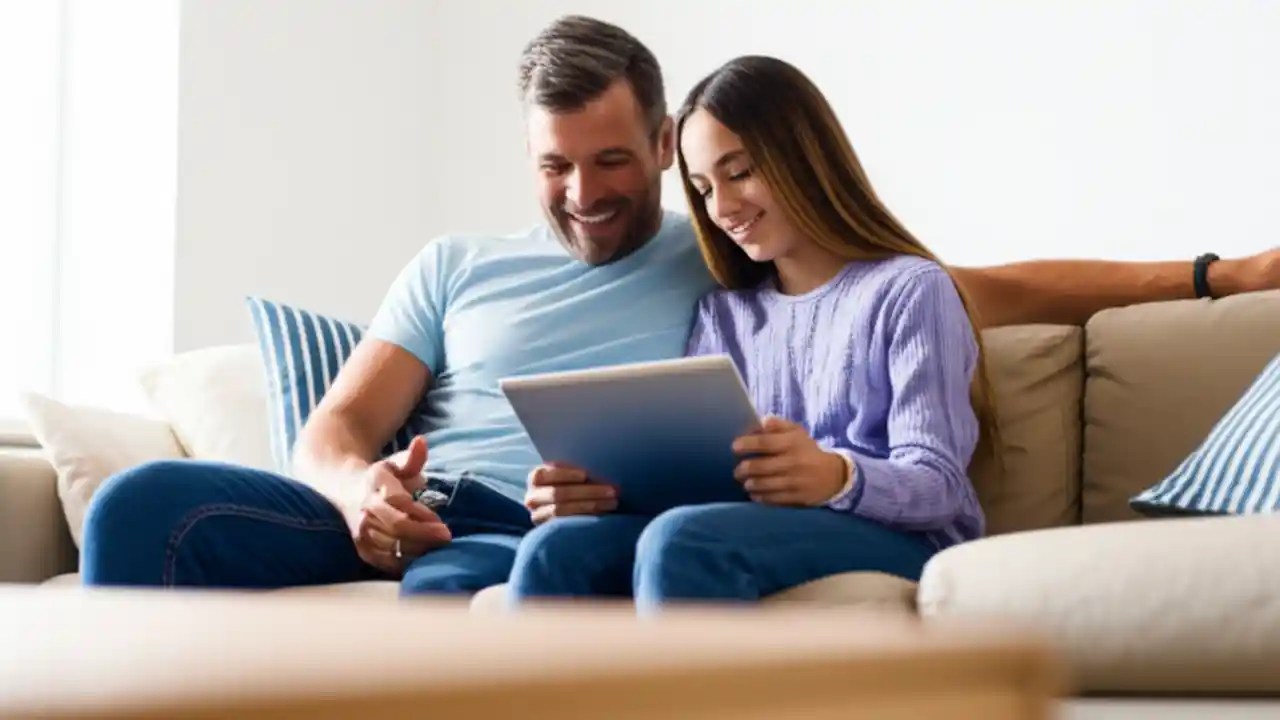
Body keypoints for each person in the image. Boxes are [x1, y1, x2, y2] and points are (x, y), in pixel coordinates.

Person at [80, 15, 1279, 595]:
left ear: (652, 145)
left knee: (594, 556)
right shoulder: (479, 267)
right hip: (434, 511)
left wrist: (1210, 276)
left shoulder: (728, 262)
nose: (583, 194)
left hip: (552, 529)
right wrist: (361, 489)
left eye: (611, 164)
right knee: (139, 508)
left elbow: (970, 289)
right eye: (553, 166)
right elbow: (336, 430)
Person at [507, 54, 998, 610]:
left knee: (686, 541)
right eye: (703, 187)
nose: (724, 207)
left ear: (804, 158)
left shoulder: (909, 290)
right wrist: (594, 494)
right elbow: (697, 480)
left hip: (903, 538)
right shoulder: (725, 316)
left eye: (739, 173)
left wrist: (837, 475)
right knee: (556, 548)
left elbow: (940, 485)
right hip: (752, 527)